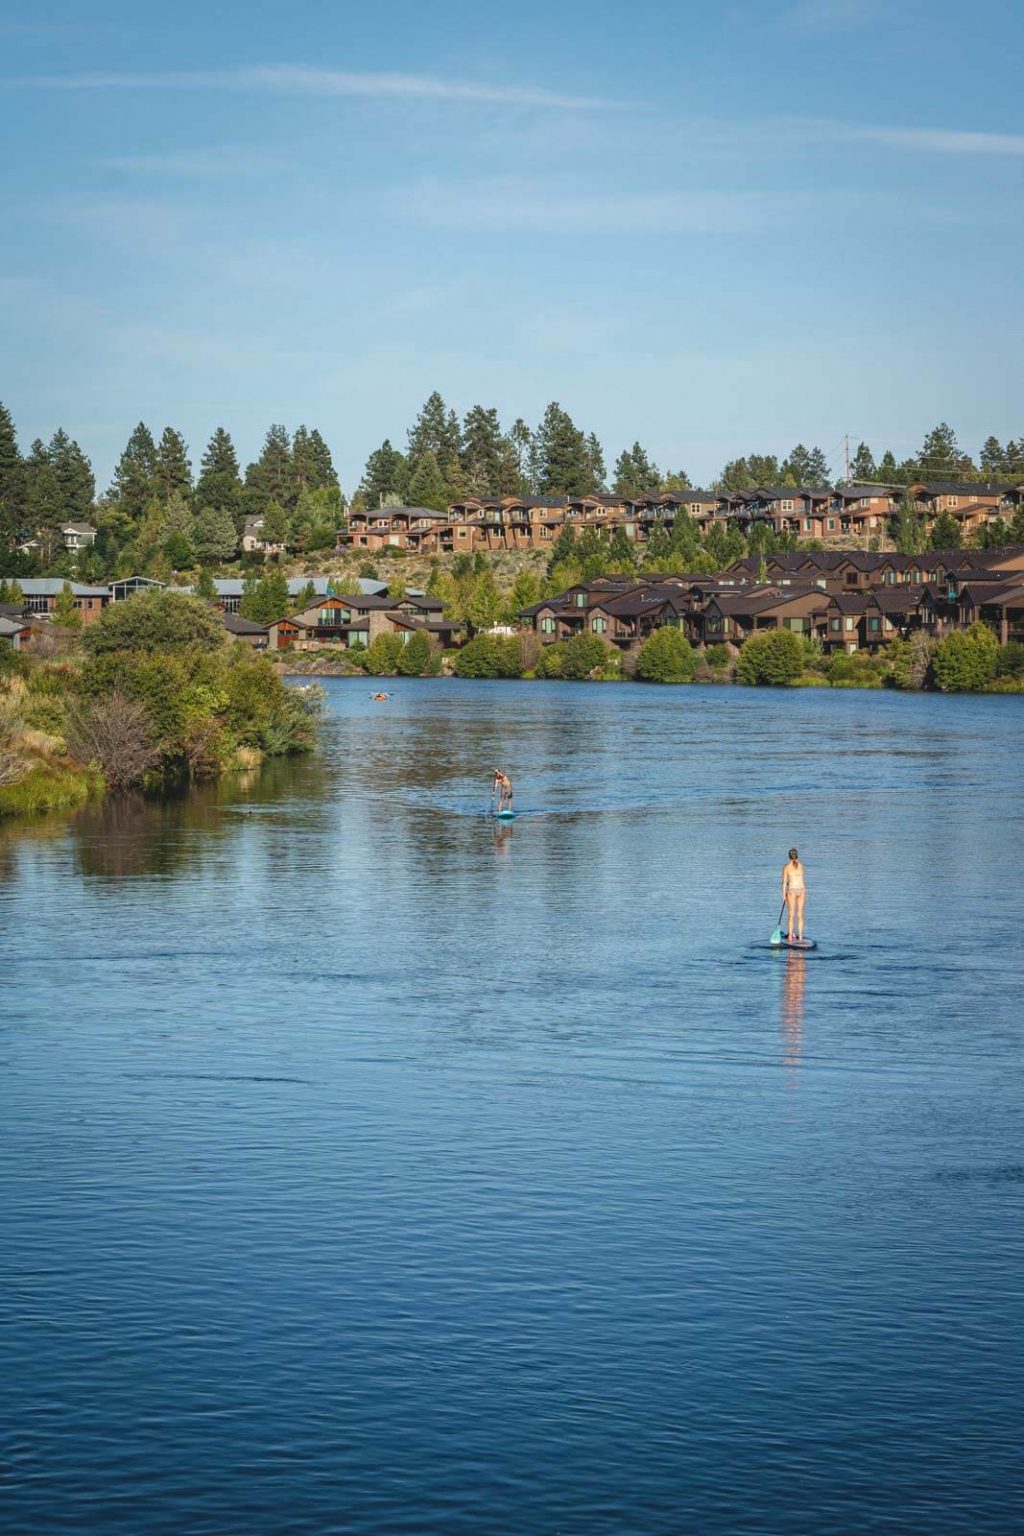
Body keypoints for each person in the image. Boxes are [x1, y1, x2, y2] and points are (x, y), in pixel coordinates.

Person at [781, 848, 806, 942]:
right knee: (800, 915)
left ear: (789, 856)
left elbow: (784, 882)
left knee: (791, 915)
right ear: (797, 855)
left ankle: (790, 937)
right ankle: (800, 937)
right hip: (802, 890)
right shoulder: (801, 865)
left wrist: (784, 895)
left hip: (792, 890)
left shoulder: (786, 867)